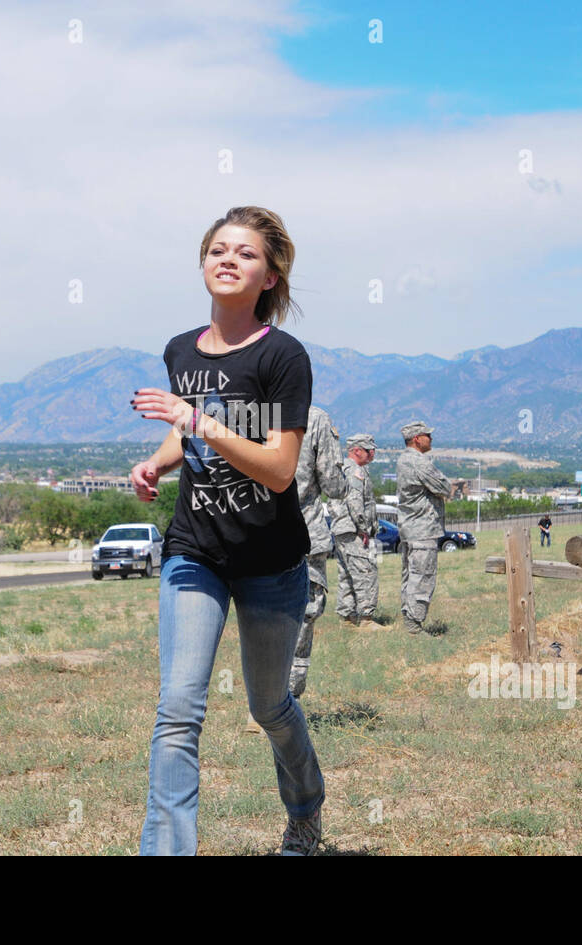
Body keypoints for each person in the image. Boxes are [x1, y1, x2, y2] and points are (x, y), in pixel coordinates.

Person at [128, 206, 325, 856]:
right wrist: (156, 461)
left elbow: (277, 468)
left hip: (271, 561)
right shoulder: (181, 350)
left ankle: (304, 810)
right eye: (218, 248)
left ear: (270, 276)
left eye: (245, 253)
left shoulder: (283, 357)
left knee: (269, 707)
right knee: (179, 708)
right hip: (196, 552)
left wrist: (197, 420)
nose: (228, 258)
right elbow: (185, 430)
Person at [281, 404, 345, 702]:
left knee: (260, 616)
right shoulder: (314, 418)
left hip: (253, 536)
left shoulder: (247, 411)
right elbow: (335, 485)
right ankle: (283, 701)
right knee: (303, 615)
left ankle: (261, 701)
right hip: (303, 533)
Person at [395, 421, 452, 636]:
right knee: (423, 576)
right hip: (423, 529)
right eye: (427, 435)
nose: (431, 438)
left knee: (411, 576)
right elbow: (444, 486)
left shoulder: (403, 459)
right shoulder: (419, 462)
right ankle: (414, 626)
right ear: (417, 439)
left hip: (410, 528)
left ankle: (410, 620)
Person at [330, 433, 380, 629]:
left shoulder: (344, 469)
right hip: (353, 529)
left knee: (347, 574)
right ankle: (366, 620)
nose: (373, 454)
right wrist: (363, 529)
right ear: (357, 450)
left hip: (343, 529)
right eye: (369, 450)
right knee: (365, 570)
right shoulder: (354, 471)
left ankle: (348, 619)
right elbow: (355, 502)